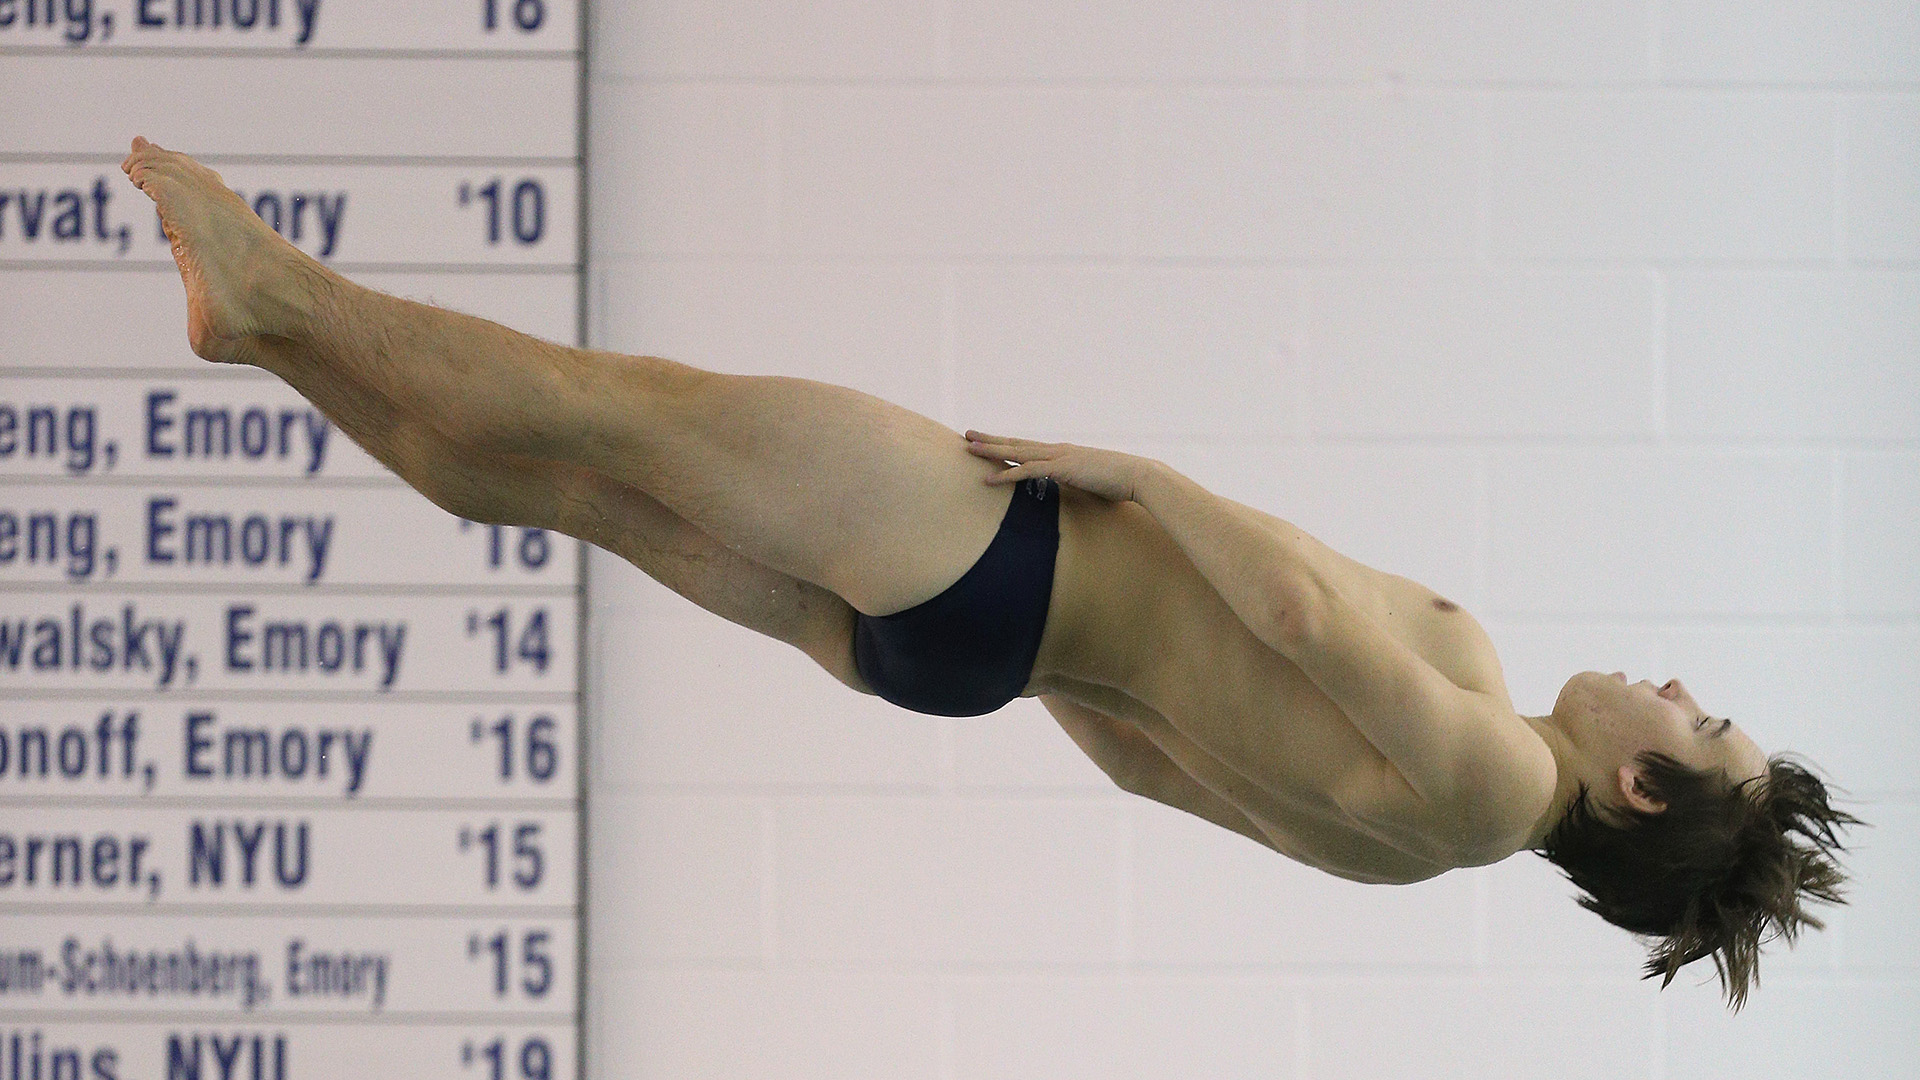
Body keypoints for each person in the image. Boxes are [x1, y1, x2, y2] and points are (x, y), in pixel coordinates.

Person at [121, 136, 1857, 1008]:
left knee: (600, 413)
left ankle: (273, 288)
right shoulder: (1418, 854)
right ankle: (266, 337)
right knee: (572, 493)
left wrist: (1131, 482)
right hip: (969, 652)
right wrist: (1022, 653)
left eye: (1696, 723)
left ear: (1637, 785)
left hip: (996, 553)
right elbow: (1150, 768)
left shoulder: (1494, 766)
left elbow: (1298, 613)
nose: (1680, 686)